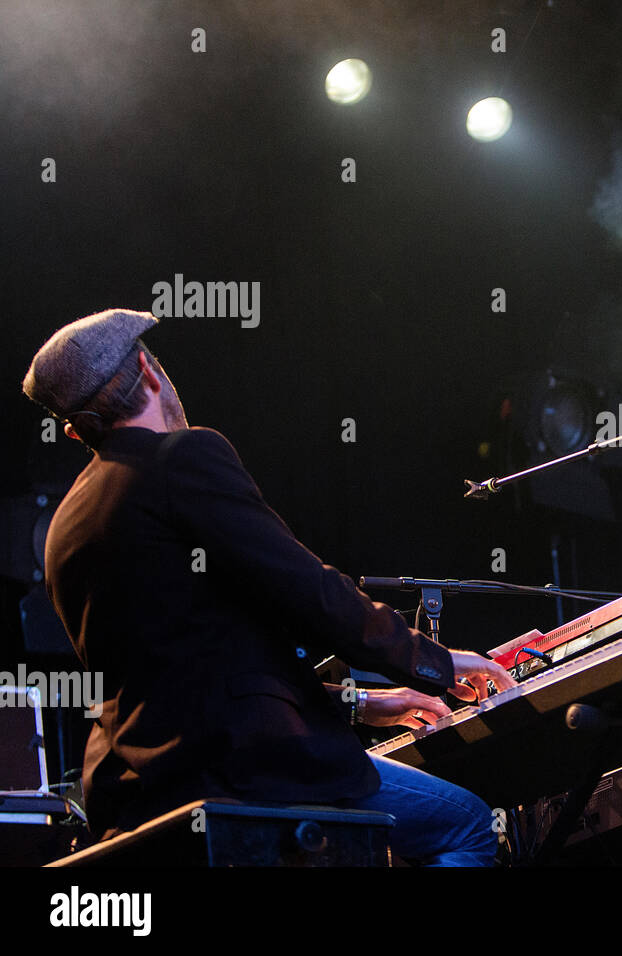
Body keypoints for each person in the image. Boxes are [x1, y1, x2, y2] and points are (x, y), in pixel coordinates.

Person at [22, 308, 516, 865]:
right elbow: (310, 590)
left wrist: (363, 703)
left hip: (133, 784)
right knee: (469, 826)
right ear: (149, 367)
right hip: (238, 768)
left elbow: (188, 673)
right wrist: (437, 662)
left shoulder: (65, 524)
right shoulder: (182, 458)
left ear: (73, 428)